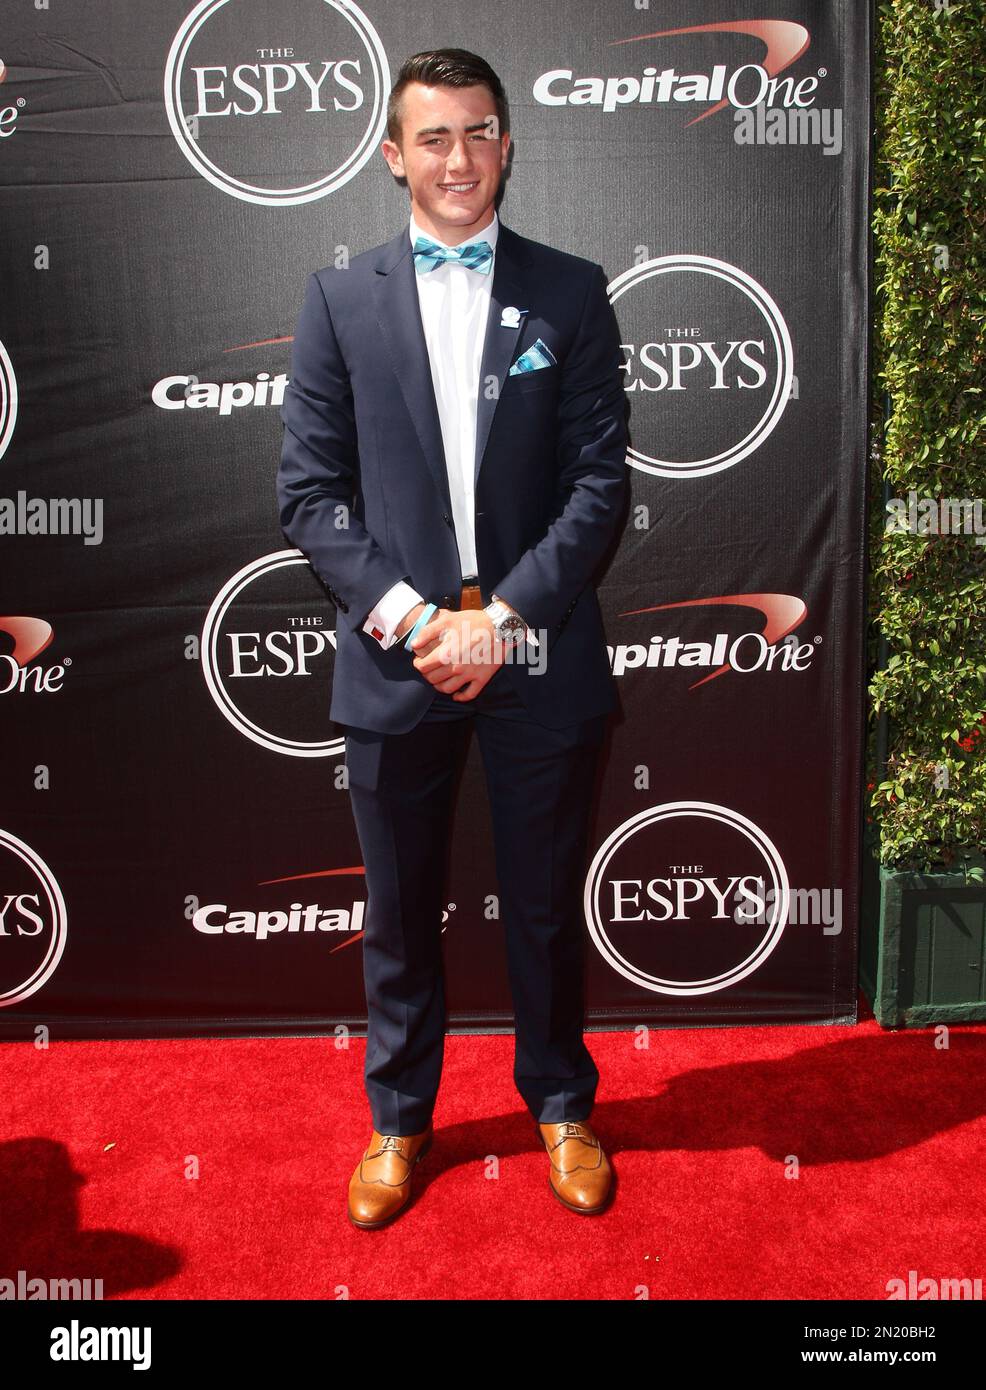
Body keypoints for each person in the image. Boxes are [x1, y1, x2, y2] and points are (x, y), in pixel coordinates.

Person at [277, 48, 628, 1228]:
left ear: (508, 144)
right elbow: (312, 496)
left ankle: (562, 1104)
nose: (458, 157)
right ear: (392, 156)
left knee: (541, 902)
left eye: (478, 131)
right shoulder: (336, 300)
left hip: (535, 643)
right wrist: (424, 622)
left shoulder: (572, 292)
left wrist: (503, 620)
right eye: (432, 136)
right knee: (398, 907)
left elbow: (595, 488)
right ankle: (397, 1120)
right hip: (397, 654)